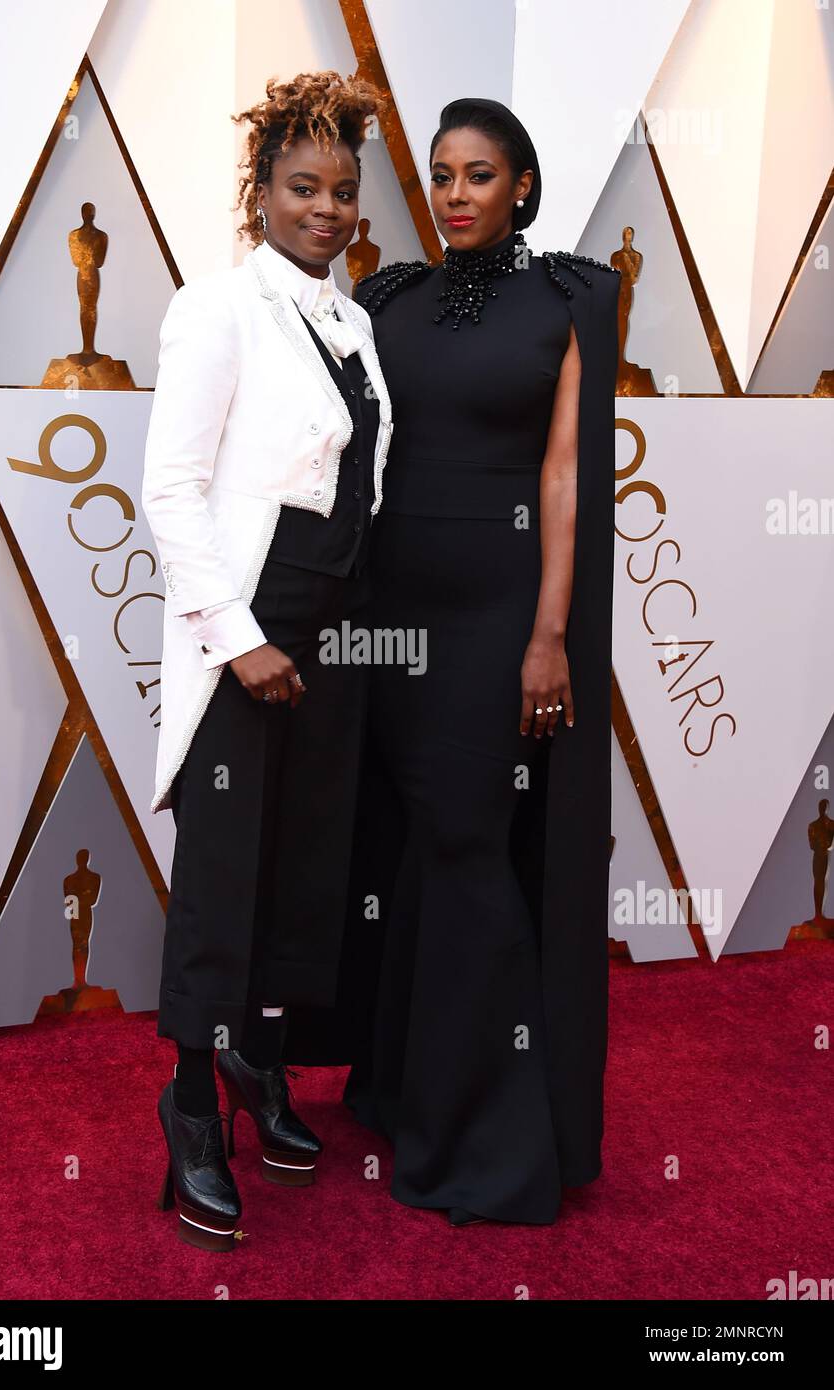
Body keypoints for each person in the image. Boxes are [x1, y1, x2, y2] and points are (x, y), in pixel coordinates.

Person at [342, 97, 620, 1226]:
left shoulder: (570, 297)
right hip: (386, 615)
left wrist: (547, 633)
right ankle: (407, 1088)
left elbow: (564, 478)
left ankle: (494, 1144)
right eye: (442, 175)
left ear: (522, 187)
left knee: (466, 844)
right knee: (409, 845)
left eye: (479, 175)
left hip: (499, 616)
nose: (456, 193)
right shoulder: (386, 296)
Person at [141, 70, 389, 1250]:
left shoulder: (353, 320)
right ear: (260, 192)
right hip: (251, 628)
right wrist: (240, 642)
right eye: (302, 187)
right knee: (224, 880)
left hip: (336, 629)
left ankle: (259, 1059)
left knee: (305, 872)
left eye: (341, 190)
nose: (325, 209)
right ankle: (191, 1107)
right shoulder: (216, 307)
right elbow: (170, 491)